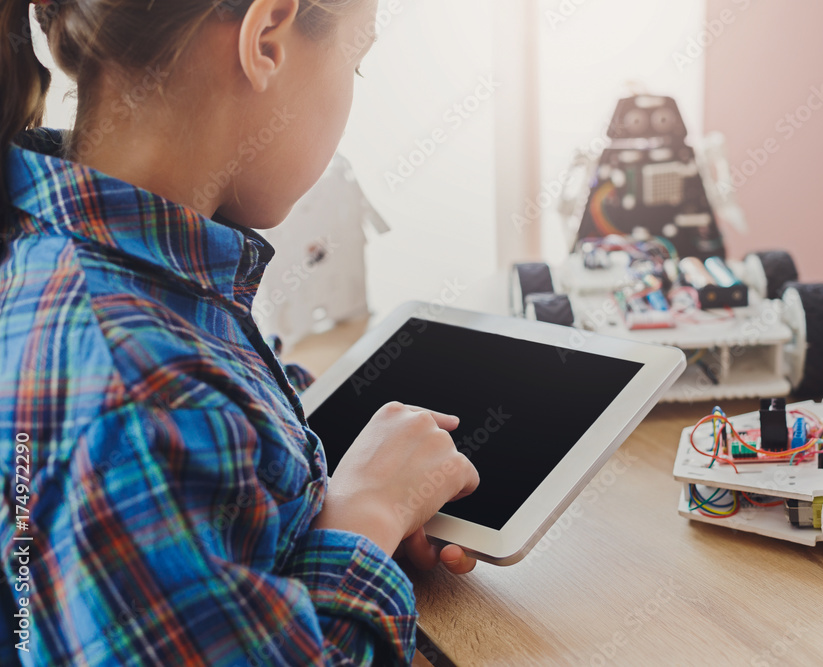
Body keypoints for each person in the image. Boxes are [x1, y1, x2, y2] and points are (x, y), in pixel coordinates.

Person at [0, 0, 480, 664]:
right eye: (356, 63)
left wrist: (371, 495)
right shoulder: (134, 391)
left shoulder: (107, 260)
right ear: (268, 40)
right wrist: (368, 519)